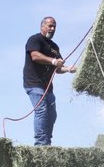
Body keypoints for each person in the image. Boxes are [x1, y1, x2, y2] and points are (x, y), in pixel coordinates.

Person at [22, 16, 75, 146]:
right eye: (50, 25)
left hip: (47, 86)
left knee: (52, 114)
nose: (52, 28)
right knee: (41, 110)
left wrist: (68, 69)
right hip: (34, 83)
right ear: (42, 26)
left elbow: (58, 69)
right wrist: (53, 61)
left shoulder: (54, 47)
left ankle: (47, 143)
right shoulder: (35, 39)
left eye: (54, 26)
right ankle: (41, 144)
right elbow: (35, 56)